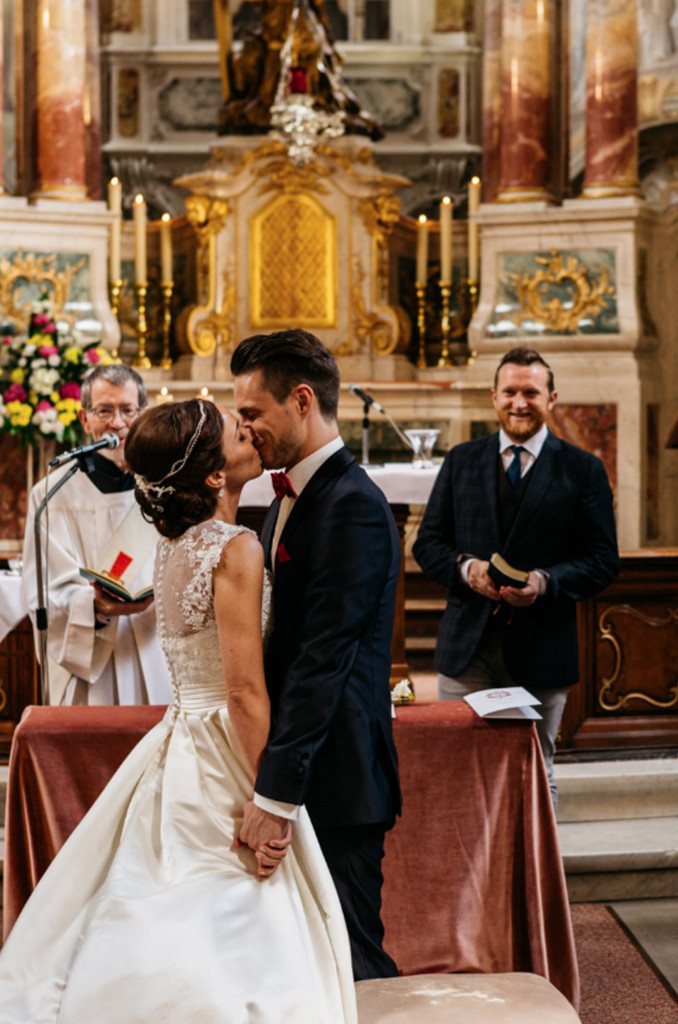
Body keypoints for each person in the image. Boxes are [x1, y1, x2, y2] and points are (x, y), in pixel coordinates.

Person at [0, 398, 357, 1023]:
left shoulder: (171, 544)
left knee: (169, 899)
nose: (247, 429)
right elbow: (244, 693)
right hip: (224, 742)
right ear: (215, 475)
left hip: (181, 733)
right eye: (232, 429)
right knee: (237, 907)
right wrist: (272, 797)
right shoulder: (234, 547)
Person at [231, 328, 402, 980]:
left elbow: (321, 659)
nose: (245, 432)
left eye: (253, 414)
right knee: (303, 963)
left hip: (336, 777)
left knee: (352, 960)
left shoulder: (351, 505)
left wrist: (275, 793)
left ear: (302, 400)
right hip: (302, 766)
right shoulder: (285, 500)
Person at [413, 346, 619, 810]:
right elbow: (427, 545)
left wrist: (544, 583)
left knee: (535, 772)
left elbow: (604, 559)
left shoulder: (582, 469)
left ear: (552, 398)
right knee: (462, 775)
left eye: (531, 392)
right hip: (467, 648)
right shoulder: (462, 460)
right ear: (494, 396)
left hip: (543, 648)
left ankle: (538, 881)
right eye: (510, 392)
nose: (519, 402)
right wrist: (468, 571)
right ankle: (476, 883)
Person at [22, 363, 171, 705]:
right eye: (104, 411)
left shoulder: (167, 487)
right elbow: (42, 593)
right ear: (85, 420)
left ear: (143, 415)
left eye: (127, 410)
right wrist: (95, 606)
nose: (117, 423)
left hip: (155, 649)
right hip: (91, 662)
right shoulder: (52, 495)